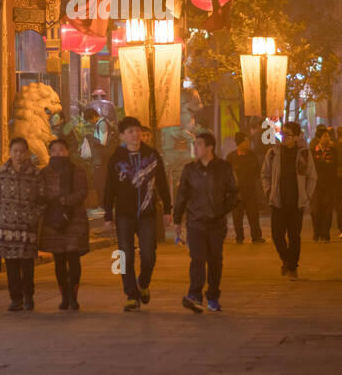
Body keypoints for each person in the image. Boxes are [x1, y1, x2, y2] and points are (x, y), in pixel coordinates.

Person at [102, 116, 172, 311]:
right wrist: (108, 214)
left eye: (137, 130)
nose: (135, 134)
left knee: (149, 254)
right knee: (125, 256)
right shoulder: (117, 158)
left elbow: (162, 183)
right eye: (130, 131)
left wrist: (167, 209)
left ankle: (143, 283)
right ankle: (131, 295)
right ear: (123, 136)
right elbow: (109, 187)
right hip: (124, 214)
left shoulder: (152, 155)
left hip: (148, 213)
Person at [173, 132, 239, 313]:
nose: (195, 148)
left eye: (199, 144)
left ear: (210, 147)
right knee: (197, 259)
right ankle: (194, 295)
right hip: (195, 222)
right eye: (194, 144)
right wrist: (177, 219)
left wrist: (221, 210)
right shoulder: (189, 170)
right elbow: (182, 195)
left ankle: (213, 296)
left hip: (216, 223)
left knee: (215, 261)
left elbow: (234, 194)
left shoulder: (223, 168)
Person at [0, 137, 43, 311]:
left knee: (27, 264)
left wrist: (35, 215)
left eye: (22, 151)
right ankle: (15, 298)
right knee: (10, 265)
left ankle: (28, 296)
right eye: (15, 151)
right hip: (6, 226)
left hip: (27, 226)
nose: (18, 155)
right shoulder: (1, 172)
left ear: (26, 153)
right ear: (10, 152)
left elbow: (42, 199)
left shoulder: (35, 173)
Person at [261, 121, 318, 280]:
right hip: (278, 202)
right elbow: (264, 174)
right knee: (276, 235)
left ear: (296, 137)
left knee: (294, 236)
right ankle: (286, 259)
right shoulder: (273, 153)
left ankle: (292, 267)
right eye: (283, 133)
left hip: (296, 203)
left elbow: (312, 177)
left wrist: (306, 195)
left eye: (288, 134)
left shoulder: (304, 154)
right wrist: (268, 191)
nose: (284, 137)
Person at [38, 138, 89, 310]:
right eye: (54, 150)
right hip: (53, 220)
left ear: (67, 151)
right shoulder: (44, 173)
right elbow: (41, 193)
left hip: (75, 219)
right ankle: (64, 296)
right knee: (59, 259)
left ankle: (74, 296)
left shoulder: (78, 170)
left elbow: (82, 191)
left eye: (61, 150)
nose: (58, 153)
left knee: (73, 258)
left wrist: (65, 200)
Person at [226, 132, 265, 243]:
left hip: (250, 191)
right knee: (237, 217)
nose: (248, 143)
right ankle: (239, 237)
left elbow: (258, 171)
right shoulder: (231, 157)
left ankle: (256, 237)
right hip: (237, 193)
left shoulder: (252, 155)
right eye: (245, 141)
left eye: (248, 141)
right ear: (239, 143)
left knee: (253, 214)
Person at [309, 127, 337, 242]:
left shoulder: (332, 151)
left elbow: (334, 166)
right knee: (315, 210)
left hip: (329, 184)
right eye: (325, 136)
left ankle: (325, 233)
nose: (327, 138)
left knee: (327, 209)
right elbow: (311, 168)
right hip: (315, 185)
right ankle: (316, 231)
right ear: (319, 138)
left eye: (328, 136)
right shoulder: (312, 152)